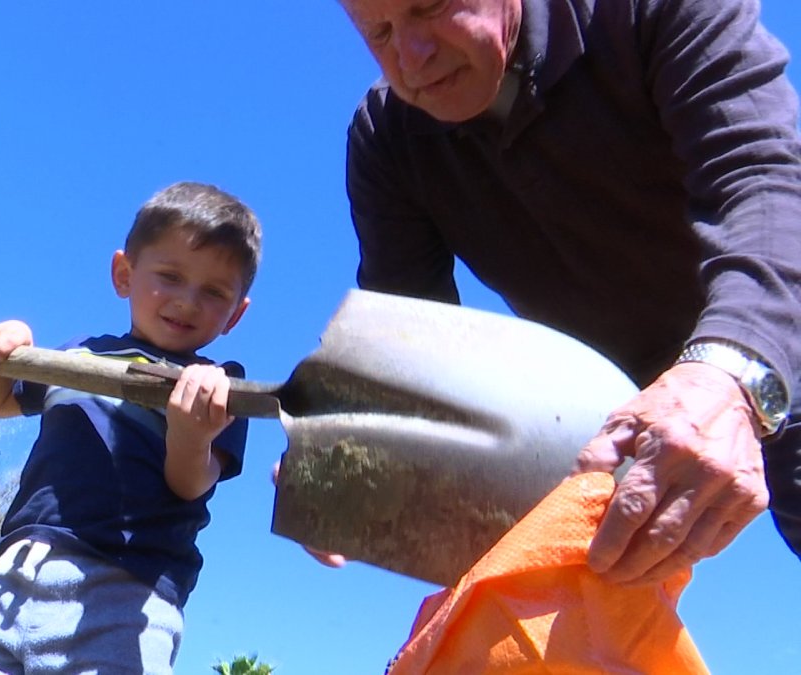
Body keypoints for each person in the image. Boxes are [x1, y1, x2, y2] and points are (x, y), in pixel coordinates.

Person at [326, 0, 801, 584]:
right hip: (615, 403)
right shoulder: (386, 140)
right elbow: (412, 352)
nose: (411, 57)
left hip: (772, 314)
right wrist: (353, 459)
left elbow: (760, 179)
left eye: (431, 7)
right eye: (379, 32)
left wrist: (729, 371)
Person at [0, 180, 262, 674]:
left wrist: (191, 432)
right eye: (170, 276)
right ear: (124, 274)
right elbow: (1, 402)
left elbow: (190, 483)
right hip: (15, 572)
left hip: (124, 588)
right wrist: (6, 353)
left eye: (214, 292)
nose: (187, 301)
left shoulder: (218, 385)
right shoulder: (79, 355)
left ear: (235, 315)